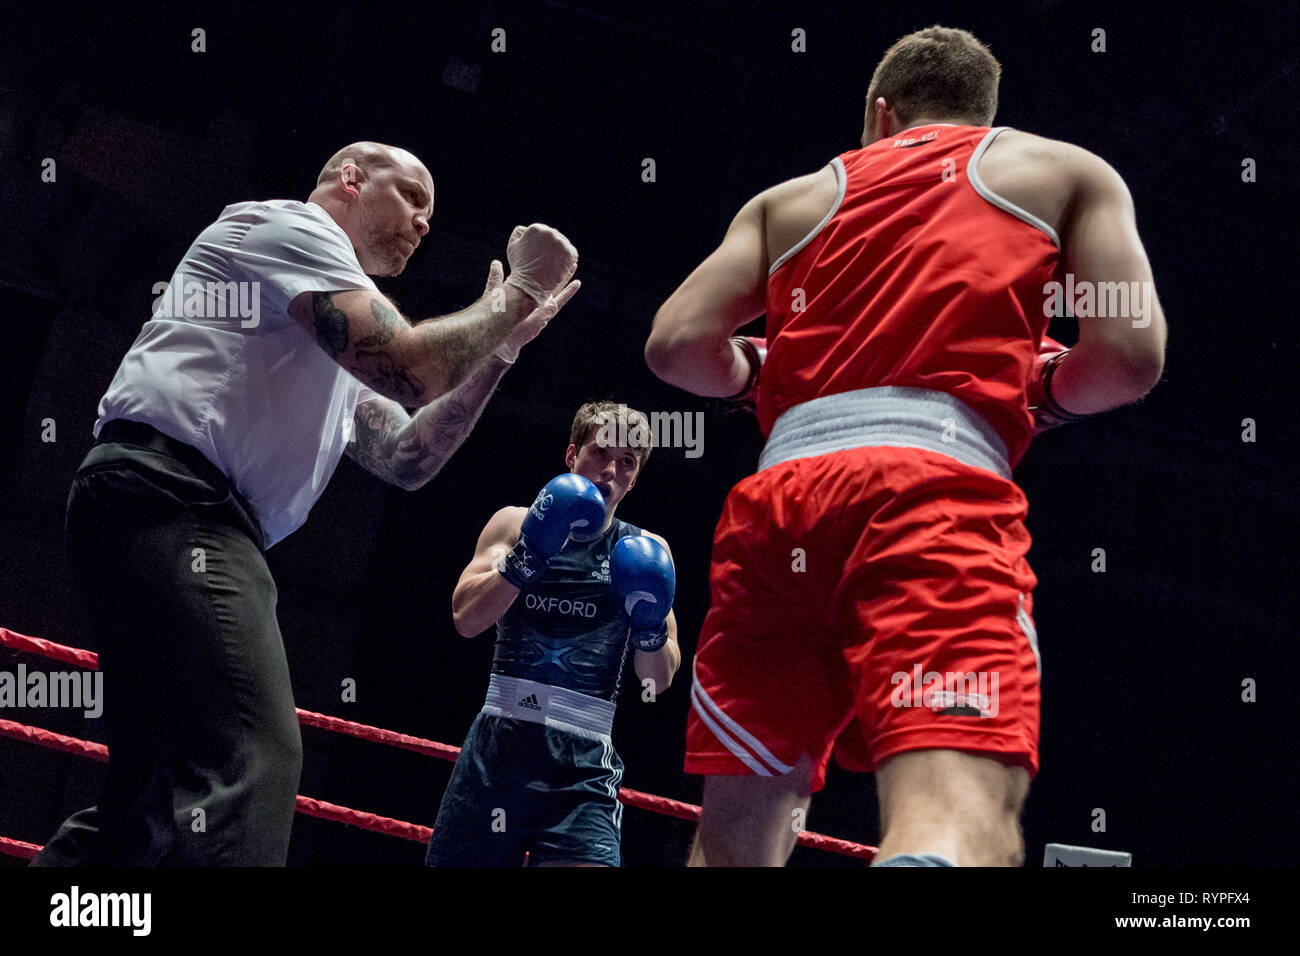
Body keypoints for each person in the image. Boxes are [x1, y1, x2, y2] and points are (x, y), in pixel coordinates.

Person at [645, 26, 1167, 867]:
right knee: (961, 820)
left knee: (735, 838)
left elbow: (675, 346)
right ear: (983, 113)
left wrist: (754, 377)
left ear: (879, 114)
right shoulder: (1062, 171)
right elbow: (1131, 358)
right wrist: (1045, 389)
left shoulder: (790, 201)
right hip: (929, 497)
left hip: (776, 511)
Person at [33, 141, 580, 866]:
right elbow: (414, 366)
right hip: (174, 500)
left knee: (147, 800)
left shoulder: (323, 320)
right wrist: (514, 291)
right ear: (351, 178)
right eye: (413, 197)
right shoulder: (287, 229)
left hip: (163, 511)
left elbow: (407, 456)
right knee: (257, 755)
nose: (424, 224)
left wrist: (501, 349)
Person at [427, 401, 680, 867]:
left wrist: (648, 627)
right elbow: (466, 618)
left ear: (635, 477)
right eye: (600, 452)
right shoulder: (513, 523)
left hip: (582, 764)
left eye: (627, 462)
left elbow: (657, 681)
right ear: (570, 455)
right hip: (499, 746)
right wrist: (529, 556)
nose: (610, 470)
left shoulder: (647, 549)